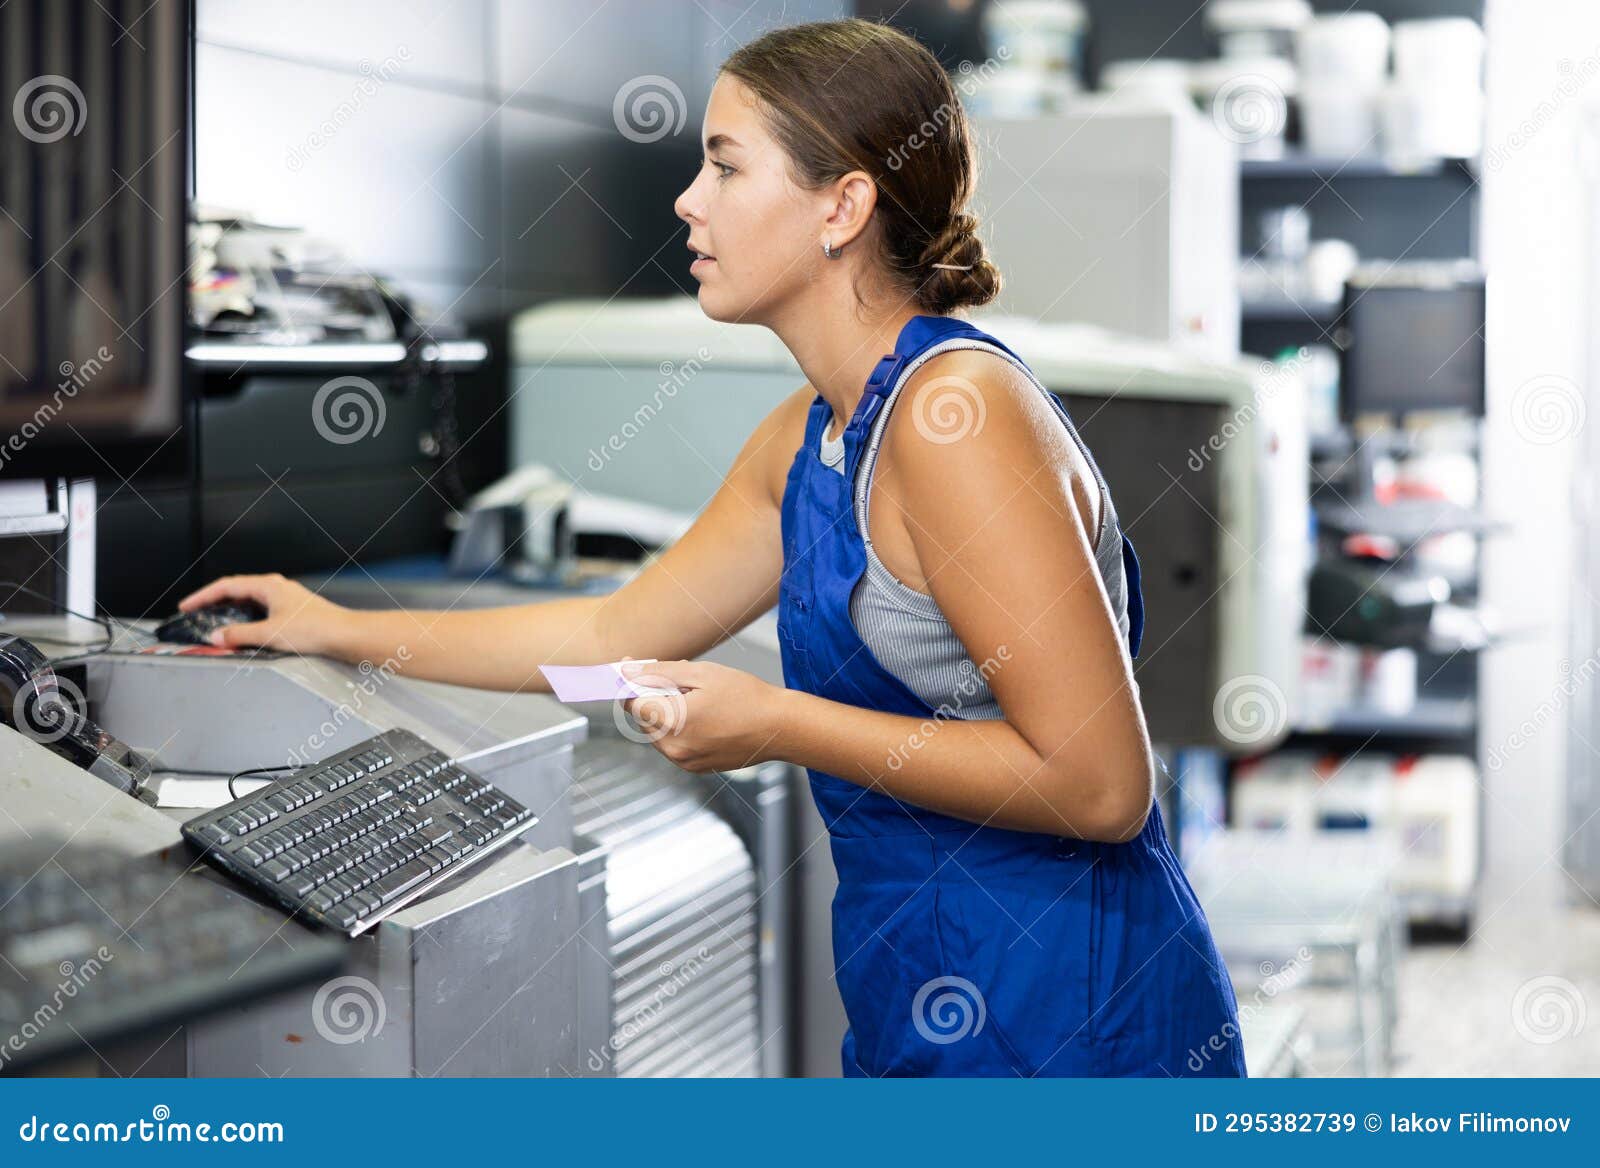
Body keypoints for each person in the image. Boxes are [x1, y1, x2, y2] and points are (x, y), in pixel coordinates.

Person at [179, 18, 1246, 1078]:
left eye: (725, 166)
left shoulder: (951, 415)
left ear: (843, 205)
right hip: (920, 989)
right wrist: (339, 630)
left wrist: (777, 721)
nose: (688, 200)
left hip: (1076, 1016)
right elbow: (612, 629)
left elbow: (1101, 786)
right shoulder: (813, 434)